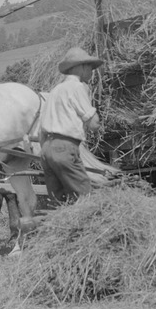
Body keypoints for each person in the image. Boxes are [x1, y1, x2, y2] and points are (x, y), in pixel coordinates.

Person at [39, 46, 104, 206]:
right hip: (65, 148)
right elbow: (94, 123)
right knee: (84, 196)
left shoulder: (55, 90)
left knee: (60, 202)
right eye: (90, 67)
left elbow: (41, 129)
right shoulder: (77, 87)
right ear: (81, 67)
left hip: (46, 149)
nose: (92, 71)